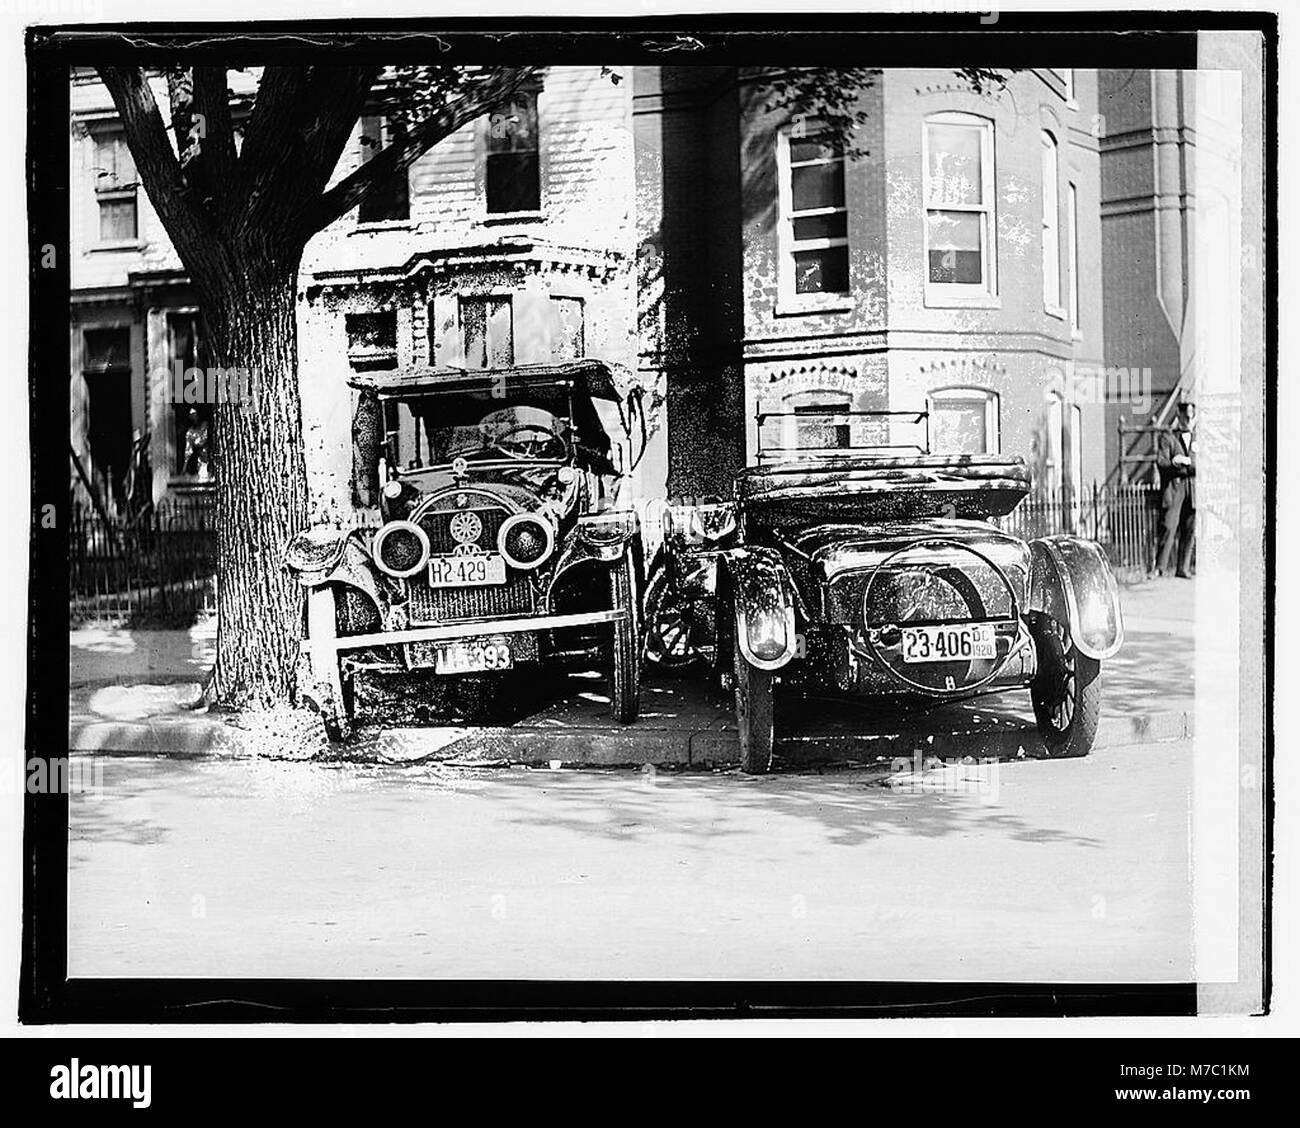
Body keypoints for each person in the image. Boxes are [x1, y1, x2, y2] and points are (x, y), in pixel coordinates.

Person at [1154, 399, 1196, 578]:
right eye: (1186, 417)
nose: (1189, 420)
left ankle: (1183, 568)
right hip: (1175, 486)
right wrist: (1174, 463)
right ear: (1179, 416)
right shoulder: (1168, 437)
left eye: (1192, 417)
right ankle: (1159, 568)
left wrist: (1187, 464)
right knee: (1169, 526)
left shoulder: (1198, 438)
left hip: (1193, 489)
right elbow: (1161, 463)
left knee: (1190, 528)